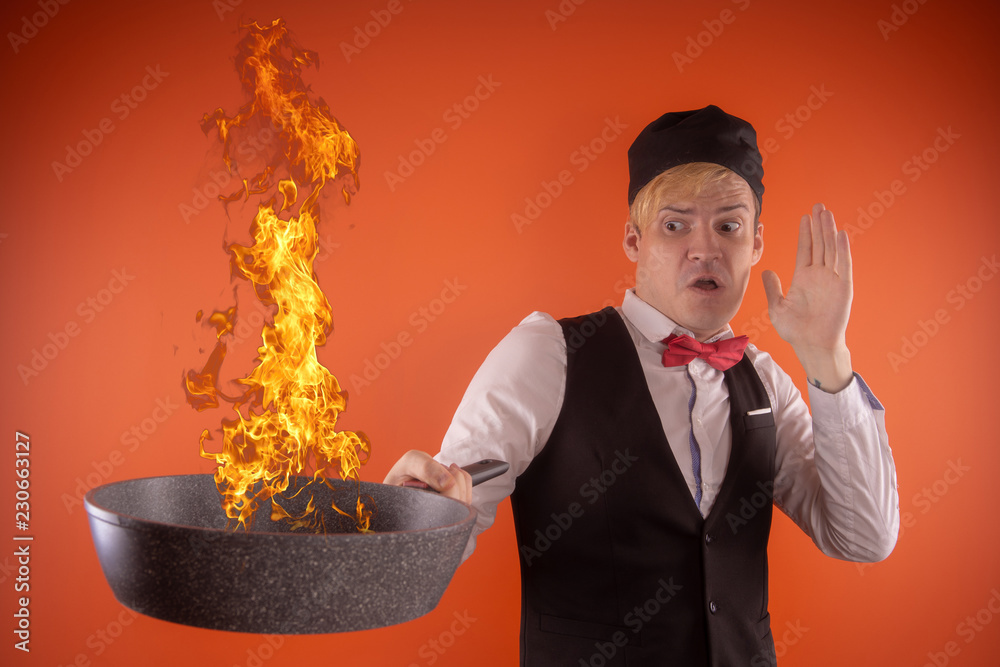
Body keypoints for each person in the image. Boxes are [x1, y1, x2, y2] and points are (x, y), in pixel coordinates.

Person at [384, 105, 900, 666]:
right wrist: (421, 519)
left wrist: (827, 355)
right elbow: (439, 527)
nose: (704, 249)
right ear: (633, 240)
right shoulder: (547, 354)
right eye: (675, 224)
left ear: (755, 245)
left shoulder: (766, 382)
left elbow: (864, 539)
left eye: (728, 226)